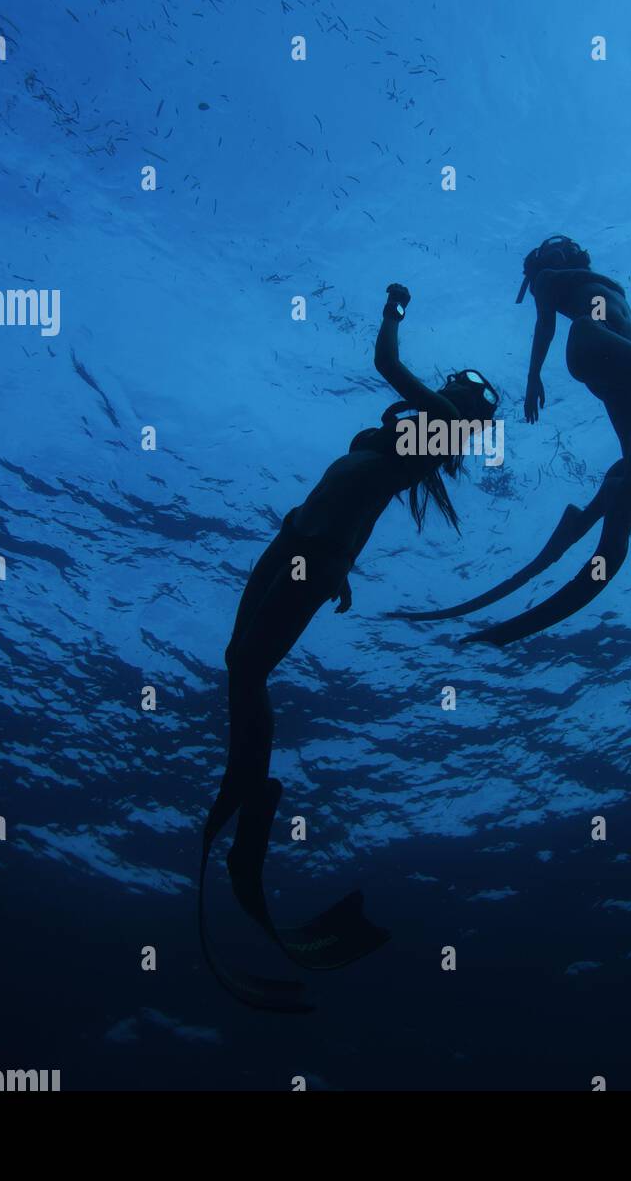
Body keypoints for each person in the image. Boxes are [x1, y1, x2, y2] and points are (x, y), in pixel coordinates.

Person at [200, 282, 499, 1011]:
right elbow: (365, 490)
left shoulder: (436, 421)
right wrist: (339, 568)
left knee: (248, 667)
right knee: (238, 660)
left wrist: (394, 312)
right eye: (459, 382)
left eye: (465, 389)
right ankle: (249, 796)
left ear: (467, 409)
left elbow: (386, 366)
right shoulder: (416, 435)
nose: (455, 387)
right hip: (299, 535)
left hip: (315, 547)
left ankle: (255, 810)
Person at [393, 236, 631, 646]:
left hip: (617, 368)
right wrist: (532, 378)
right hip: (590, 340)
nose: (557, 254)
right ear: (539, 263)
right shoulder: (548, 280)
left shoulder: (587, 279)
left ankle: (585, 518)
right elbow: (546, 324)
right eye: (550, 252)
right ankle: (618, 523)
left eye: (563, 250)